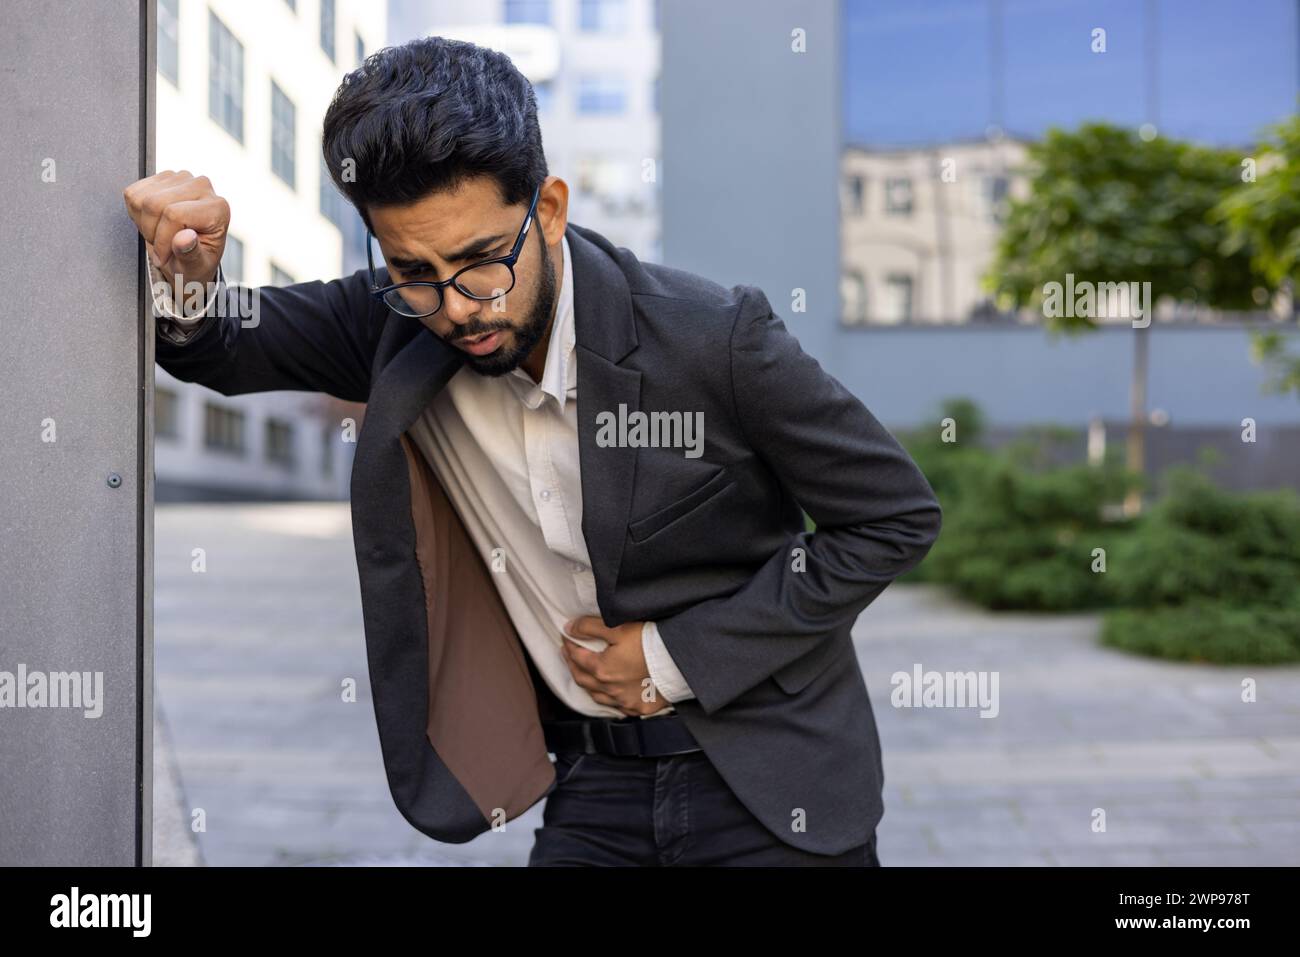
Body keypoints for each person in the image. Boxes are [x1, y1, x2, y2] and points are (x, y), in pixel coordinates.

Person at [125, 36, 941, 867]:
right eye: (415, 269)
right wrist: (187, 267)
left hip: (774, 781)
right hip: (591, 782)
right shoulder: (392, 320)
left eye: (483, 261)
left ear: (548, 209)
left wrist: (670, 657)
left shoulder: (713, 337)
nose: (458, 307)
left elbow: (891, 517)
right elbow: (215, 344)